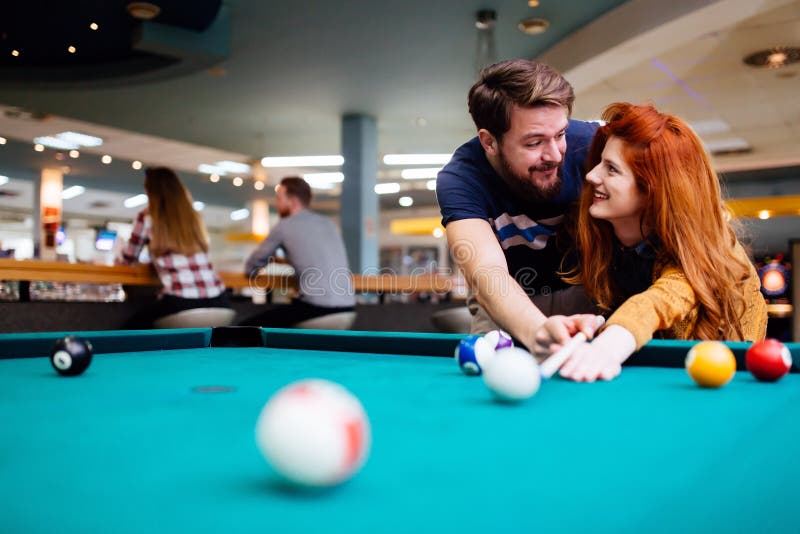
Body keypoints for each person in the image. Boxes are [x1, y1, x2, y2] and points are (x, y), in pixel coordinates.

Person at [535, 102, 768, 381]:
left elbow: (662, 300)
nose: (591, 175)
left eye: (611, 169)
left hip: (726, 380)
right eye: (600, 163)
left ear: (652, 192)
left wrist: (611, 343)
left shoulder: (705, 247)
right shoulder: (602, 231)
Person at [436, 59, 602, 352]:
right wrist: (538, 330)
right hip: (505, 296)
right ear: (489, 142)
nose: (555, 155)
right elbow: (487, 273)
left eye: (560, 134)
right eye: (534, 143)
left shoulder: (594, 145)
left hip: (589, 288)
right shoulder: (460, 179)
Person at [119, 167, 230, 328]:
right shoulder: (193, 216)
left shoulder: (147, 217)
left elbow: (128, 261)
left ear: (151, 192)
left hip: (180, 302)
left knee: (129, 329)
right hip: (220, 300)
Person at [240, 176, 355, 327]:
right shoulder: (329, 224)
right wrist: (285, 262)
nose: (277, 204)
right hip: (348, 309)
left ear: (293, 201)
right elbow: (317, 259)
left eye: (279, 198)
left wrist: (262, 266)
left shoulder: (284, 225)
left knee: (245, 329)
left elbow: (253, 265)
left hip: (317, 308)